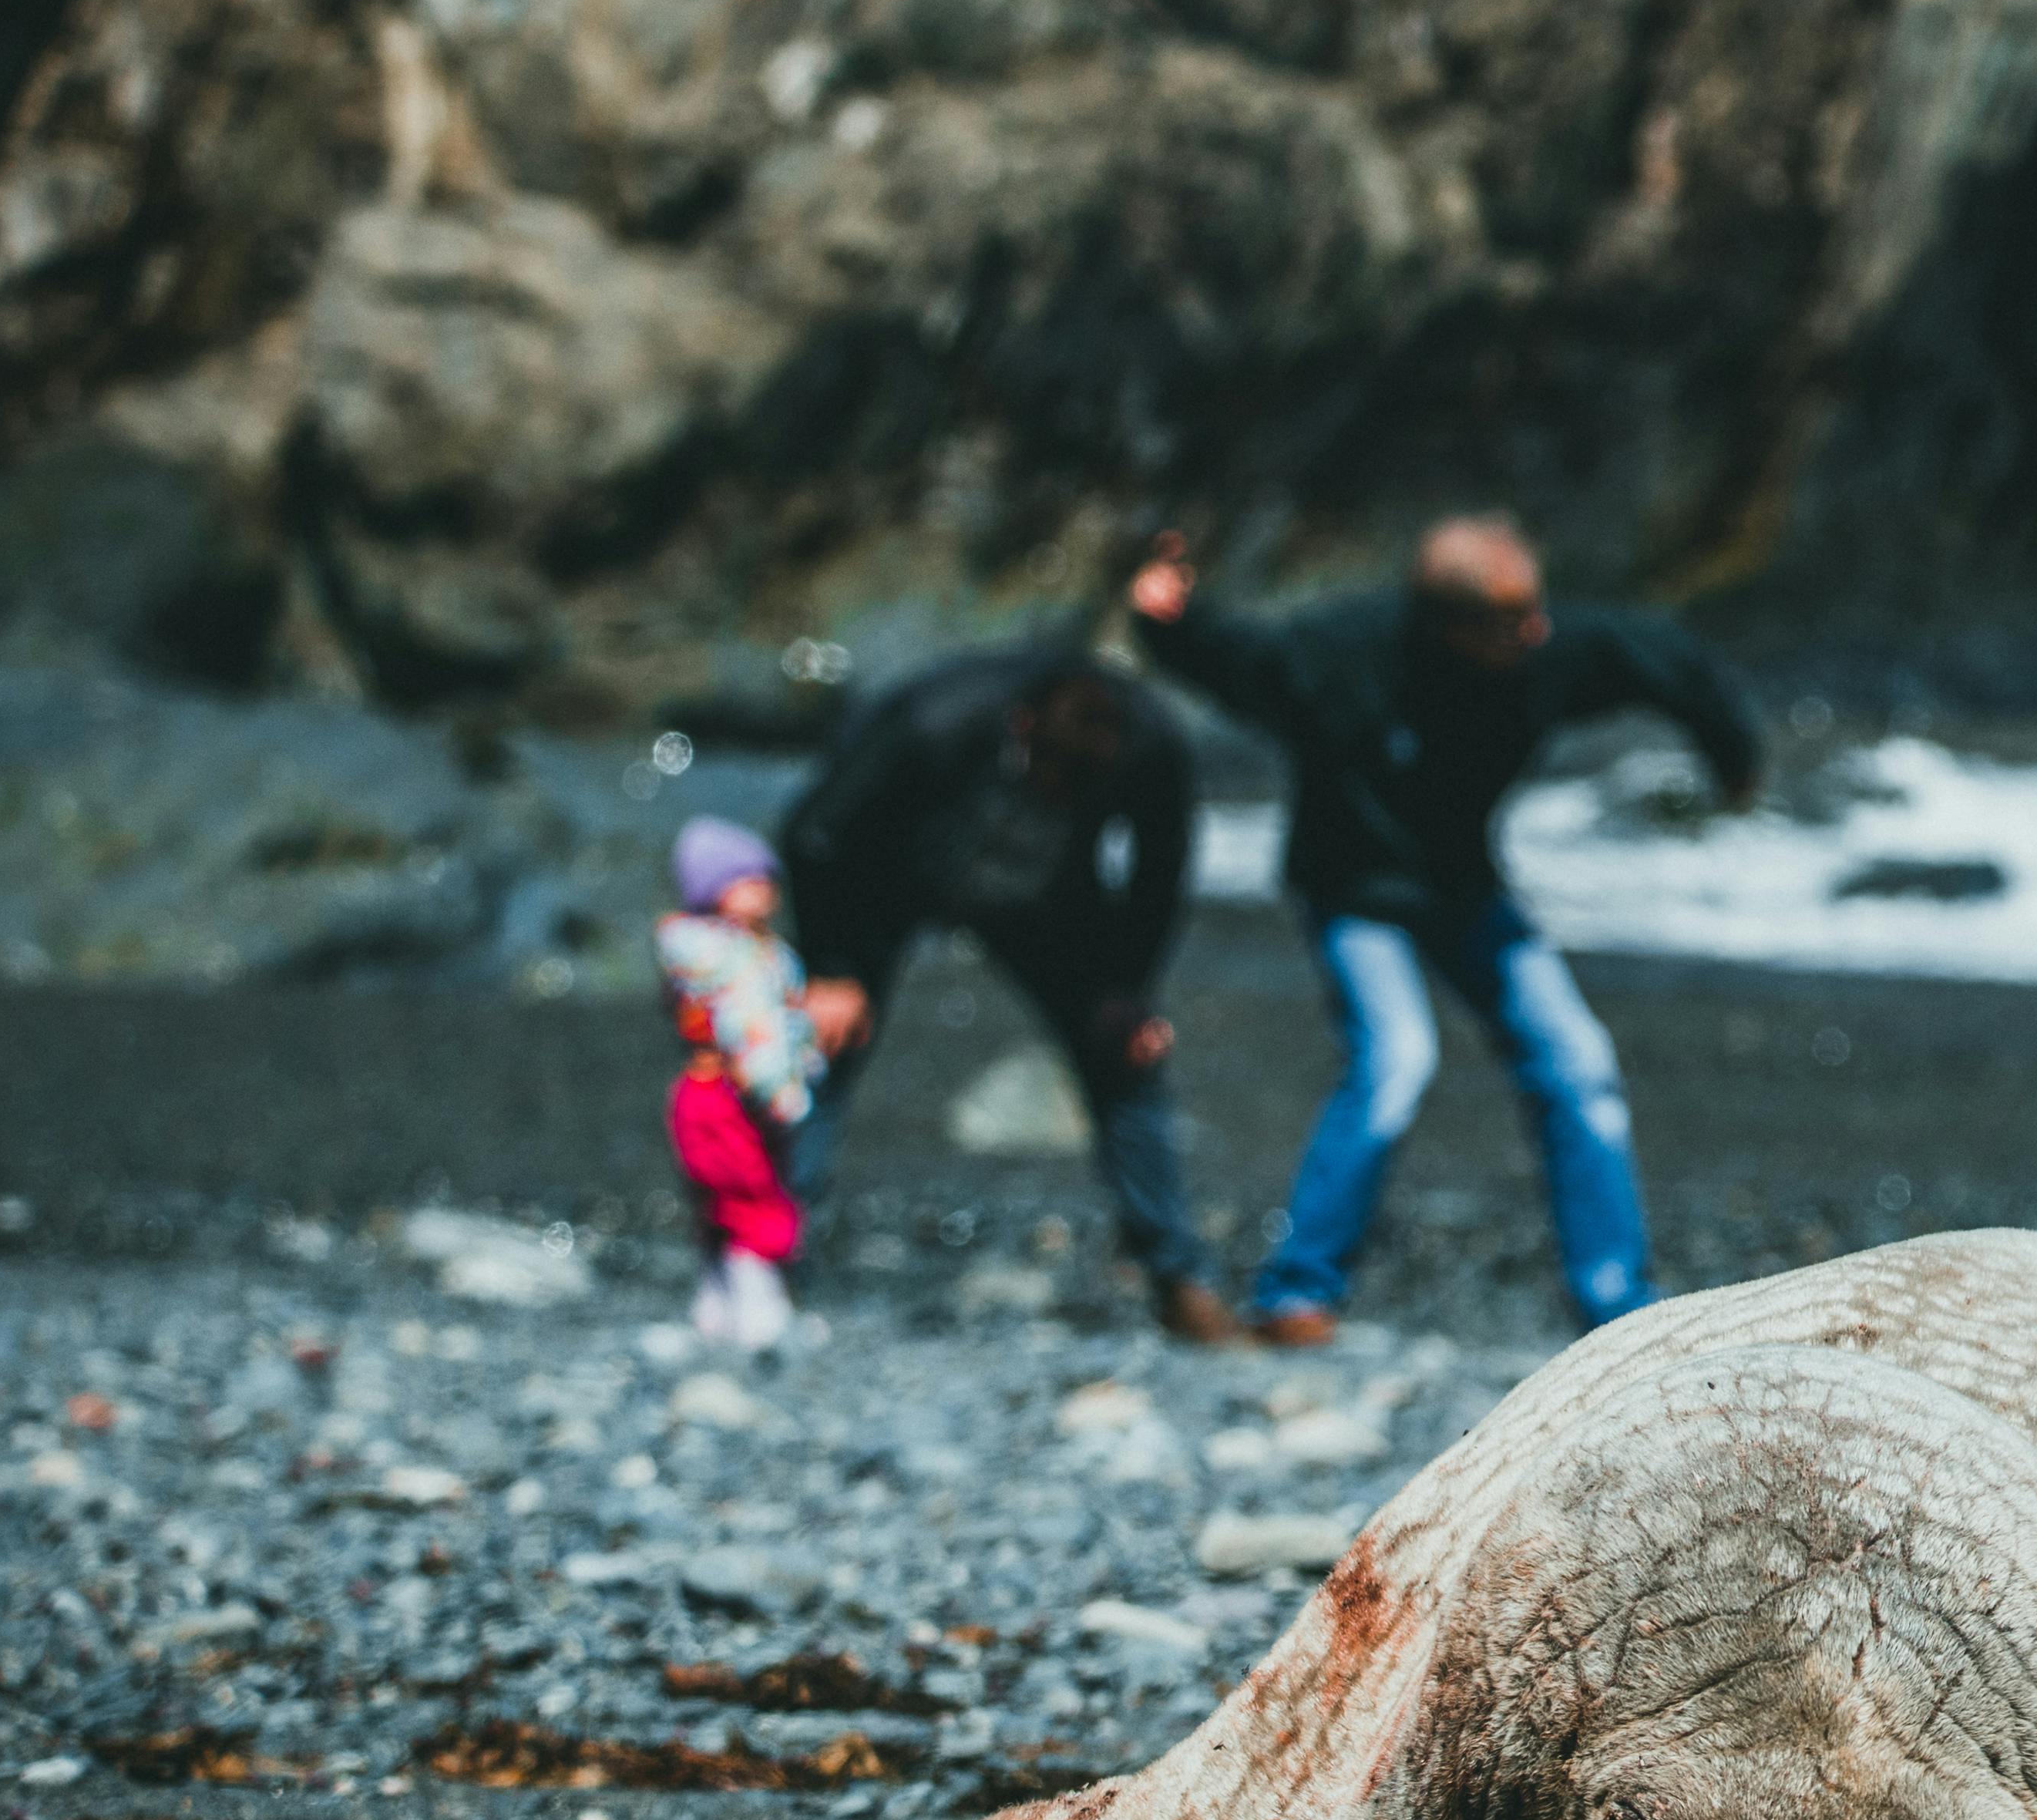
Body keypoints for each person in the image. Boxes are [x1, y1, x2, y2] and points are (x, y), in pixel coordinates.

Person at [1127, 514, 1760, 1343]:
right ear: (1444, 623)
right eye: (1509, 620)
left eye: (1535, 609)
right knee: (1396, 1059)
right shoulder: (1339, 658)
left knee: (1579, 1064)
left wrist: (1732, 756)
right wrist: (1160, 613)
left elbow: (1669, 663)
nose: (1534, 631)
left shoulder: (1551, 653)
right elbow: (1225, 655)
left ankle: (1617, 1308)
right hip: (1354, 890)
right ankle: (1297, 1292)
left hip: (1466, 890)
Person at [775, 647, 1232, 1344]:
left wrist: (1128, 992)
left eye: (1075, 793)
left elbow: (1159, 874)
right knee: (823, 1052)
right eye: (1047, 780)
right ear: (1019, 729)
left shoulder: (1153, 748)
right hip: (894, 869)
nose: (1056, 797)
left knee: (1124, 1058)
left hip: (1045, 895)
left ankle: (1179, 1278)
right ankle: (766, 1258)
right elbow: (814, 834)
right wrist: (834, 972)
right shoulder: (931, 722)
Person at [654, 815, 821, 1353]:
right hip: (733, 1094)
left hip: (714, 1092)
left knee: (723, 1199)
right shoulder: (730, 959)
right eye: (746, 879)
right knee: (751, 1195)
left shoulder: (735, 952)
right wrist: (779, 1091)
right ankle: (758, 1309)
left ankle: (717, 1301)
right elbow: (755, 1033)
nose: (764, 889)